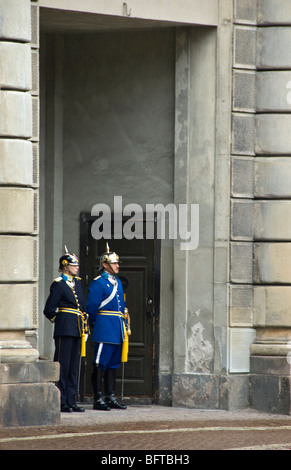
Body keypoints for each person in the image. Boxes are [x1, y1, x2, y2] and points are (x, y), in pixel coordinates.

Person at [43, 246, 87, 413]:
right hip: (65, 329)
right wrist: (59, 321)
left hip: (77, 328)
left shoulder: (78, 283)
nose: (77, 267)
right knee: (63, 365)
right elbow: (49, 309)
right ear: (65, 265)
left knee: (74, 367)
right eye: (74, 265)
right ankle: (61, 401)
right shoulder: (59, 285)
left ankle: (71, 400)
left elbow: (82, 306)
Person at [87, 243, 127, 410]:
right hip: (104, 327)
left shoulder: (118, 282)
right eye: (114, 263)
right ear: (105, 265)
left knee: (113, 364)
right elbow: (91, 307)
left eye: (117, 263)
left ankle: (110, 396)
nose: (117, 266)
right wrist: (96, 325)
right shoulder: (98, 283)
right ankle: (98, 399)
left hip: (117, 327)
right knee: (100, 363)